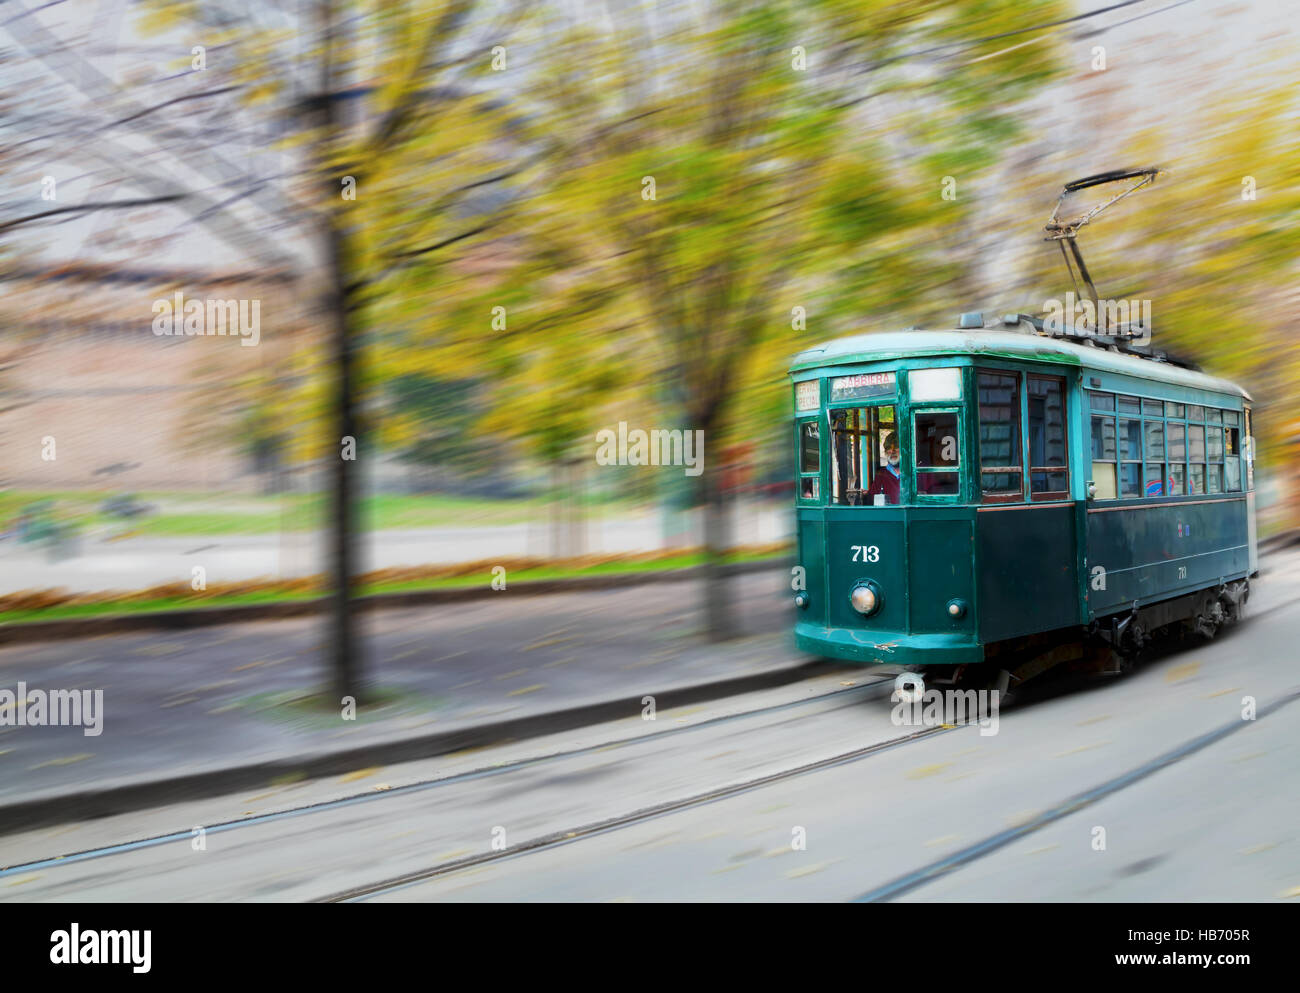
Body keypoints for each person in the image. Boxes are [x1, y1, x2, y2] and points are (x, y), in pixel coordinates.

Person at [865, 431, 901, 505]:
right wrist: (865, 495)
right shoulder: (881, 475)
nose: (892, 451)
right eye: (889, 448)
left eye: (896, 447)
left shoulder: (916, 473)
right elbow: (871, 501)